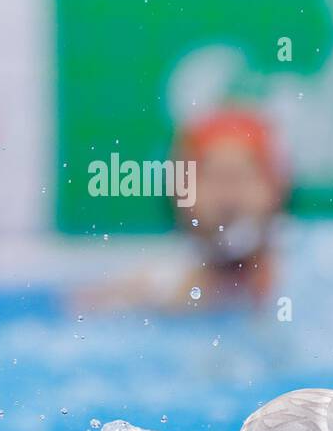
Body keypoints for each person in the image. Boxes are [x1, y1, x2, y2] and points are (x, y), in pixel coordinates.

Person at [76, 108, 288, 312]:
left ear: (275, 190)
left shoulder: (306, 274)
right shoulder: (157, 288)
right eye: (211, 176)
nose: (228, 194)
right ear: (180, 194)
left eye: (242, 176)